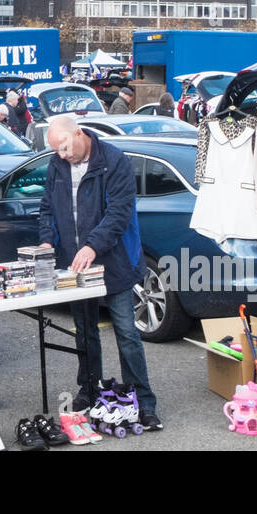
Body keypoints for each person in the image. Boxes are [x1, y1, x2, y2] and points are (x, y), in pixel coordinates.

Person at [35, 117, 163, 430]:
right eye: (57, 151)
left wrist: (92, 246)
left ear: (78, 133)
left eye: (64, 148)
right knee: (85, 331)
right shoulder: (57, 165)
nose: (63, 156)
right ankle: (89, 389)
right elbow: (48, 207)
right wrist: (46, 240)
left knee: (126, 333)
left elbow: (119, 214)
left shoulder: (114, 161)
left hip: (114, 262)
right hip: (75, 265)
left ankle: (142, 401)